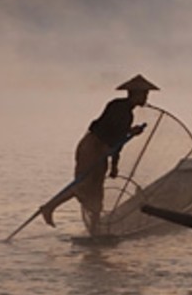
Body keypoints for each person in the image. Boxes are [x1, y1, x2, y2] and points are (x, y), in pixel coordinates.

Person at [39, 74, 158, 234]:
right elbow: (114, 135)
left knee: (97, 193)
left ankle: (95, 232)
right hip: (92, 147)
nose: (145, 97)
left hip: (102, 149)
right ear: (133, 94)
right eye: (143, 94)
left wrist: (127, 138)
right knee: (83, 185)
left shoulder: (126, 112)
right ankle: (48, 207)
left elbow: (117, 137)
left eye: (146, 94)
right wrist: (126, 138)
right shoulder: (119, 108)